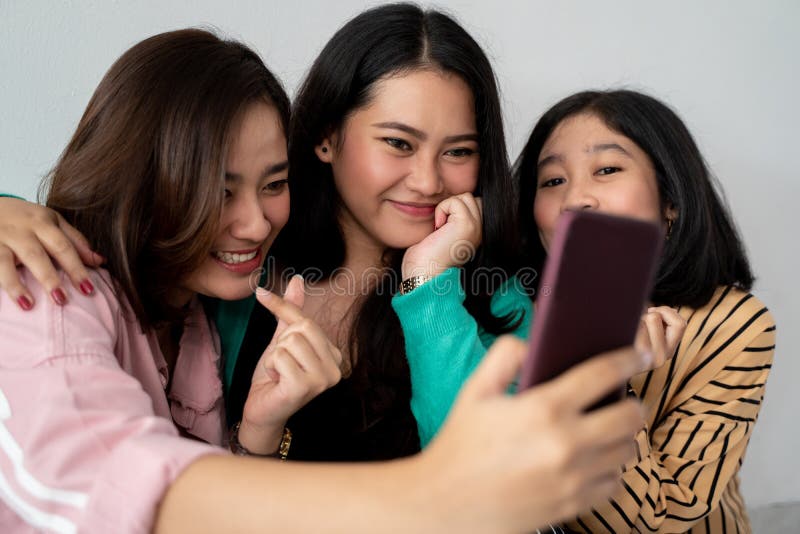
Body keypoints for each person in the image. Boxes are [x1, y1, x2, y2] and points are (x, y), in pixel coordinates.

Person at [0, 27, 652, 534]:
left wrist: (431, 290)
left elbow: (500, 491)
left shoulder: (500, 301)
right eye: (398, 143)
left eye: (458, 151)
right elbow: (111, 234)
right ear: (325, 139)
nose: (428, 180)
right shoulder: (237, 277)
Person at [514, 90, 775, 533]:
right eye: (553, 180)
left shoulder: (734, 325)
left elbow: (657, 520)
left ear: (670, 200)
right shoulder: (511, 305)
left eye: (607, 170)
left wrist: (607, 382)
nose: (575, 200)